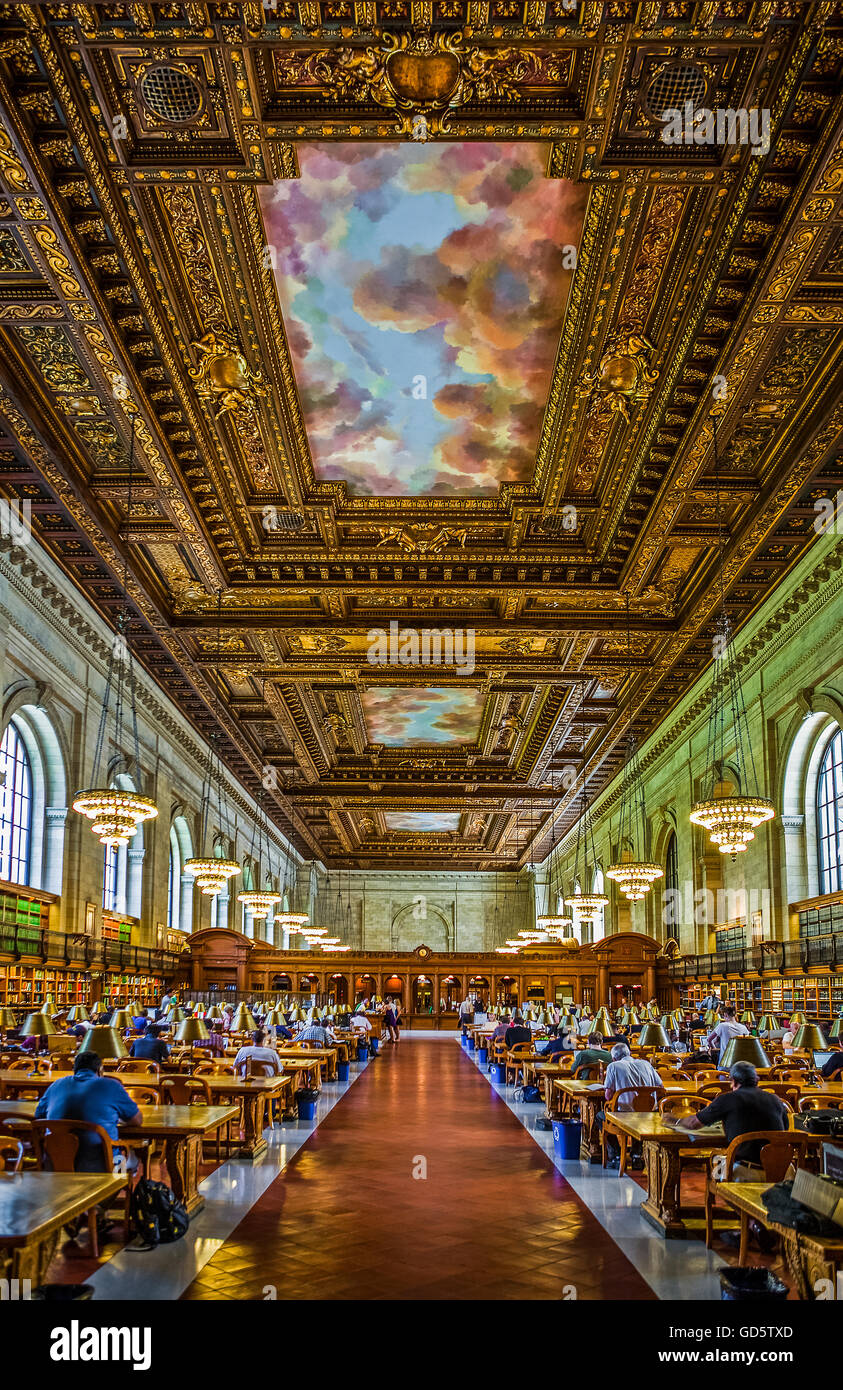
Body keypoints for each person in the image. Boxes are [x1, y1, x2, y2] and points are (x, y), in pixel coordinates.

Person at [671, 1061, 788, 1176]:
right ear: (756, 1080)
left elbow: (693, 1124)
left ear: (733, 1082)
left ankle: (714, 1185)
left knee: (716, 1163)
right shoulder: (775, 1100)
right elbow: (785, 1130)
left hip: (745, 1170)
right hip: (781, 1171)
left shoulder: (728, 1099)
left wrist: (673, 1121)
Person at [35, 1051, 142, 1172]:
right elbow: (137, 1121)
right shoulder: (112, 1085)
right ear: (100, 1070)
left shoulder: (56, 1085)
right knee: (132, 1159)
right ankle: (128, 1179)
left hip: (55, 1167)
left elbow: (38, 1116)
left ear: (74, 1070)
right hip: (104, 1168)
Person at [603, 1043, 663, 1112]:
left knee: (600, 1115)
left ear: (613, 1059)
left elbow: (608, 1096)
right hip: (650, 1113)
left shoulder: (613, 1066)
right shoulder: (646, 1064)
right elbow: (661, 1088)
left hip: (624, 1114)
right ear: (630, 1053)